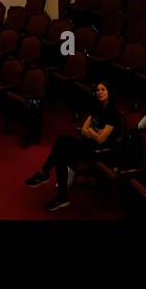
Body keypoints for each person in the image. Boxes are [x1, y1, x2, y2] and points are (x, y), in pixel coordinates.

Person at [26, 81, 122, 211]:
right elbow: (83, 129)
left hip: (98, 152)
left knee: (62, 147)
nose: (99, 92)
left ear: (109, 92)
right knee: (61, 147)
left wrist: (91, 132)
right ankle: (60, 195)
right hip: (87, 144)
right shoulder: (96, 107)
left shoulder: (112, 113)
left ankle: (46, 175)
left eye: (103, 89)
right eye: (98, 90)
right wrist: (94, 132)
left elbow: (100, 139)